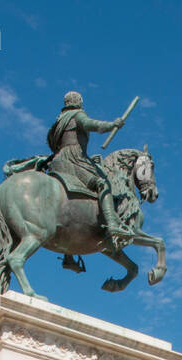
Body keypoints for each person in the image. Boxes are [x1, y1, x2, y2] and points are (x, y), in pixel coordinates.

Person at [46, 91, 132, 247]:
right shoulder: (76, 115)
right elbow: (92, 125)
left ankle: (68, 255)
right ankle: (112, 225)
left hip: (57, 161)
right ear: (79, 102)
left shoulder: (59, 121)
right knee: (102, 183)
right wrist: (112, 124)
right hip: (73, 159)